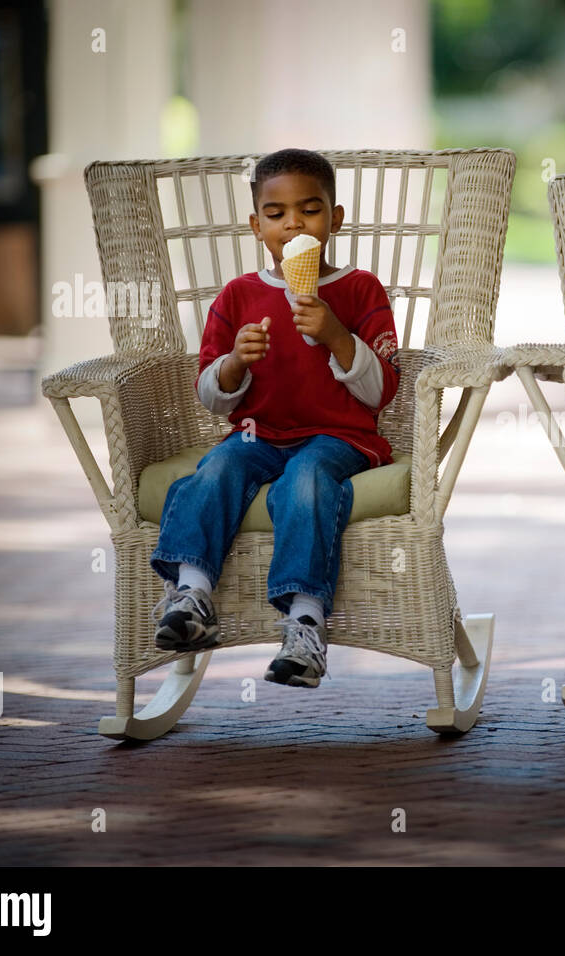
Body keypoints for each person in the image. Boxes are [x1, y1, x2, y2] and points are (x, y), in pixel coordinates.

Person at [149, 148, 400, 688]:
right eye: (277, 213)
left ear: (334, 218)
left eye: (309, 210)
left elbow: (382, 392)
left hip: (339, 437)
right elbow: (210, 397)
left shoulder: (360, 289)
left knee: (306, 481)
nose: (293, 224)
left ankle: (305, 624)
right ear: (256, 224)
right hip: (256, 434)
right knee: (215, 471)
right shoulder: (240, 295)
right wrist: (236, 361)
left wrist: (337, 334)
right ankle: (191, 595)